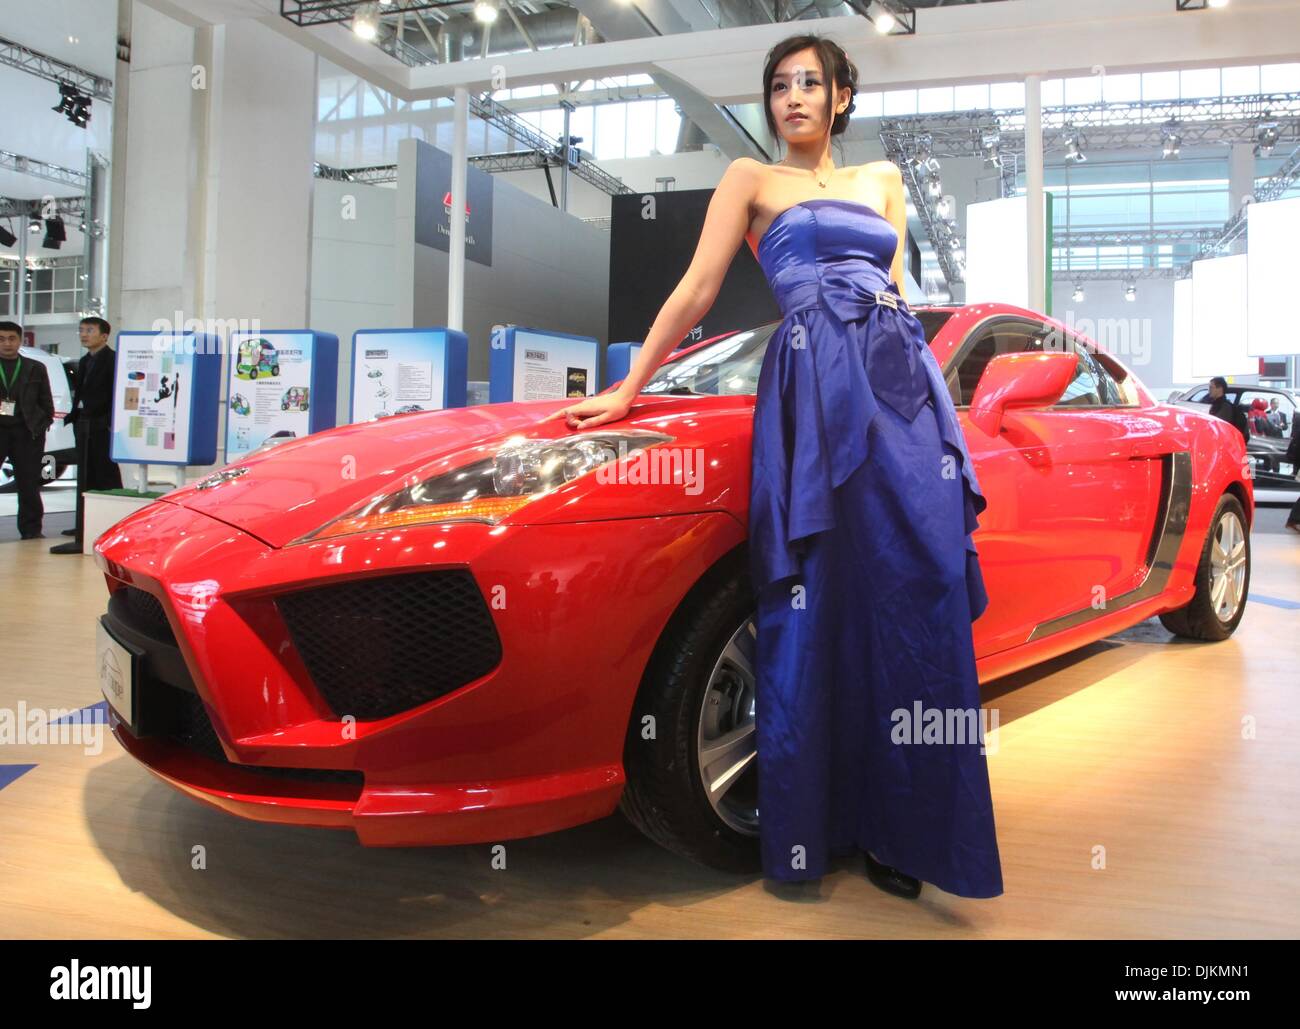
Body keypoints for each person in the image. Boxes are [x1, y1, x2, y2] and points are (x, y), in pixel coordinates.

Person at [544, 34, 1002, 900]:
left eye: (811, 82)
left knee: (919, 590)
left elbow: (894, 293)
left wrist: (939, 413)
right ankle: (820, 825)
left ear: (840, 96)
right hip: (812, 395)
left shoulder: (884, 183)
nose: (794, 97)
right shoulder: (748, 181)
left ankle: (907, 827)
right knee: (817, 595)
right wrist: (629, 383)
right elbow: (696, 288)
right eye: (780, 85)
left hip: (900, 396)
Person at [51, 316, 122, 554]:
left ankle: (110, 522)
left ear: (104, 335)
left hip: (102, 426)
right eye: (81, 330)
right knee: (85, 472)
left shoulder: (113, 360)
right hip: (84, 425)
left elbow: (115, 394)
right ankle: (84, 523)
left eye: (89, 330)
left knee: (104, 471)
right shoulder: (84, 361)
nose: (84, 334)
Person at [0, 321, 55, 539]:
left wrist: (42, 423)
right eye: (1, 339)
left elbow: (46, 401)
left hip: (27, 432)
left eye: (11, 338)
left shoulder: (35, 367)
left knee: (28, 483)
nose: (7, 343)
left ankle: (31, 529)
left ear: (20, 340)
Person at [1207, 377, 1249, 447]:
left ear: (1220, 388)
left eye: (1211, 387)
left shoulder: (1225, 407)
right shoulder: (1218, 405)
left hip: (1227, 446)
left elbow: (1218, 428)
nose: (1209, 390)